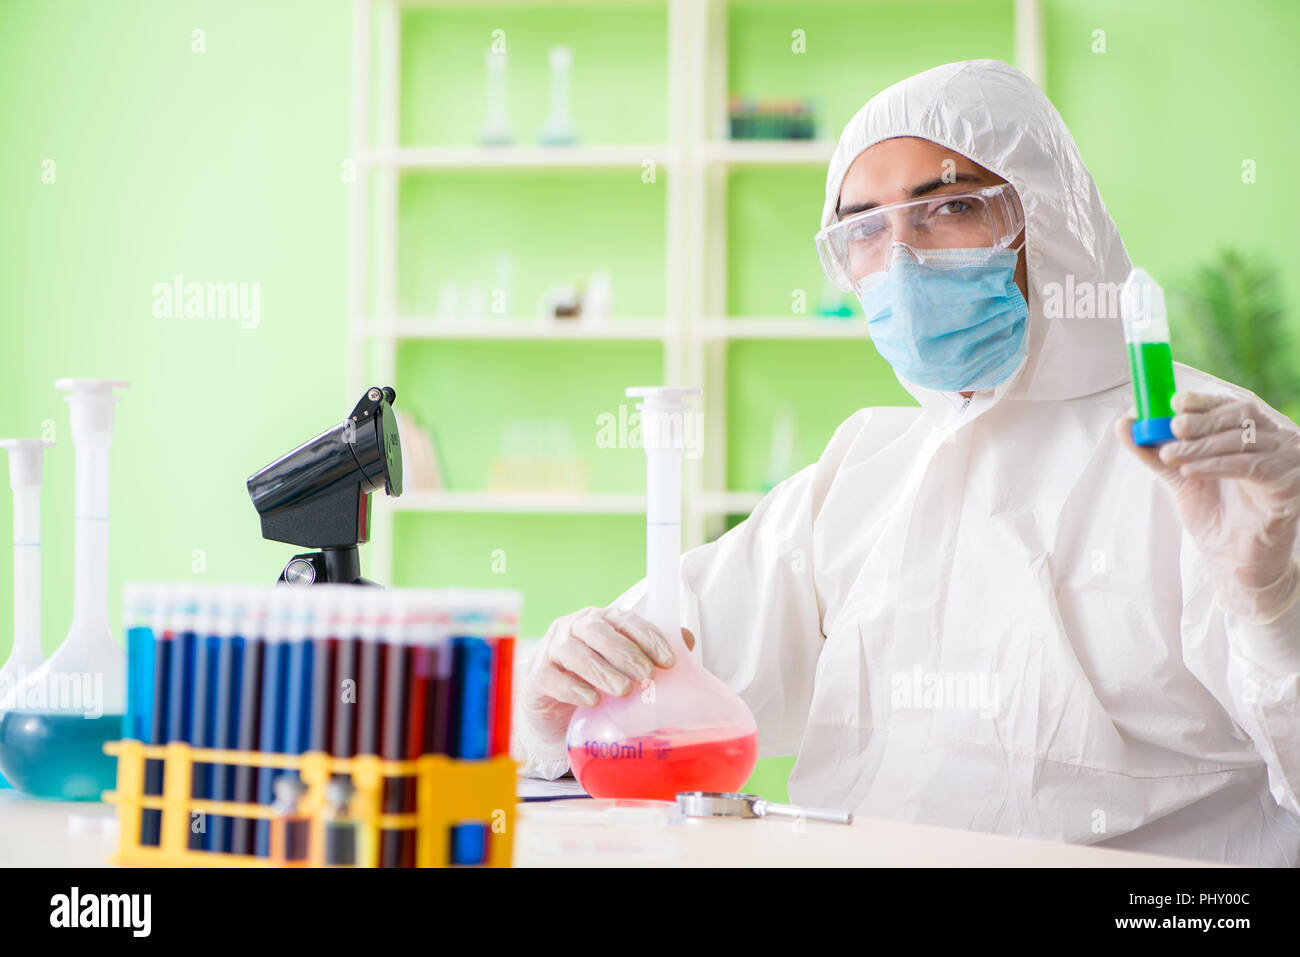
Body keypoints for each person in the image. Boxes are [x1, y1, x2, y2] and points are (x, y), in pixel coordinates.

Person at [513, 60, 1300, 866]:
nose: (901, 260)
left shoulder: (1217, 457)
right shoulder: (866, 469)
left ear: (1049, 217)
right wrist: (551, 695)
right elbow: (659, 669)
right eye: (864, 228)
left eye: (951, 207)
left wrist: (1274, 612)